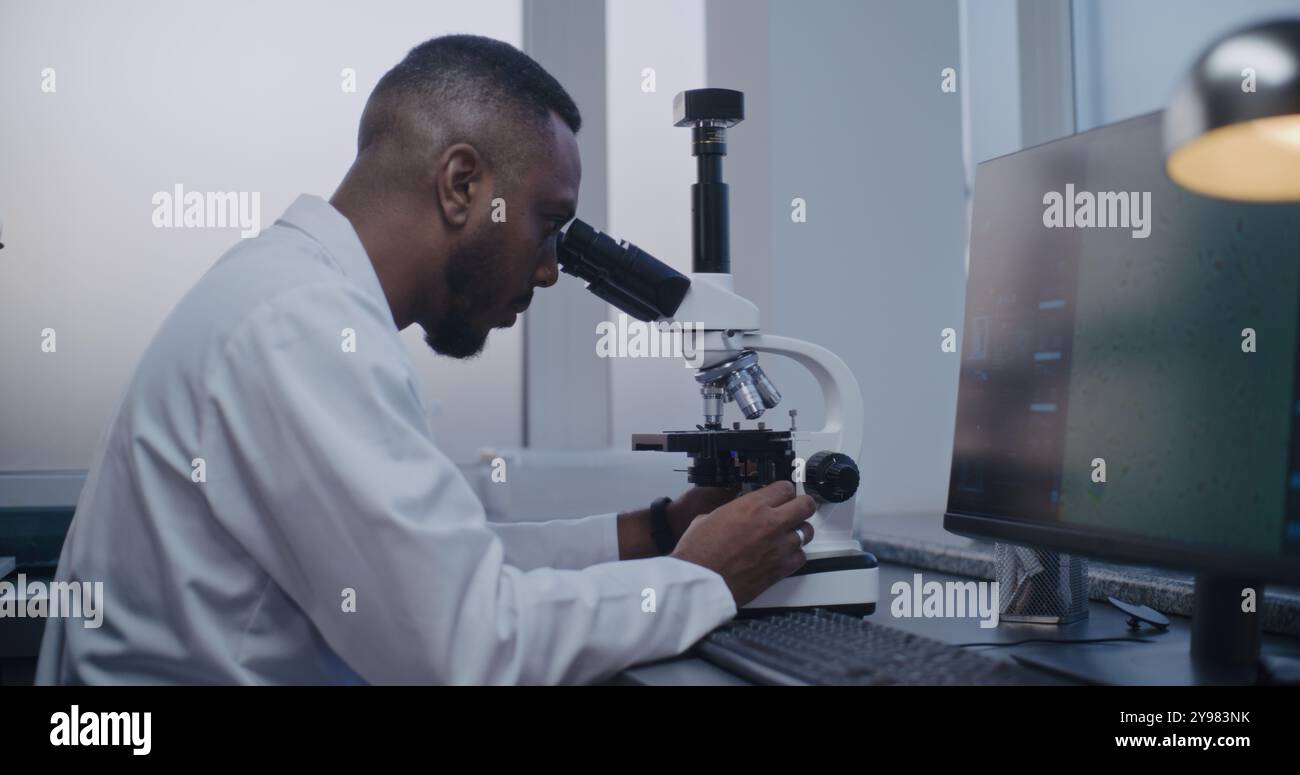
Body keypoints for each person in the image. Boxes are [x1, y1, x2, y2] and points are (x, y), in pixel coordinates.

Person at [36, 34, 815, 685]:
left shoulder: (292, 294)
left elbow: (437, 562)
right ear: (461, 183)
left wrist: (657, 530)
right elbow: (464, 647)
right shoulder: (302, 328)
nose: (549, 269)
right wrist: (702, 580)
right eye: (548, 225)